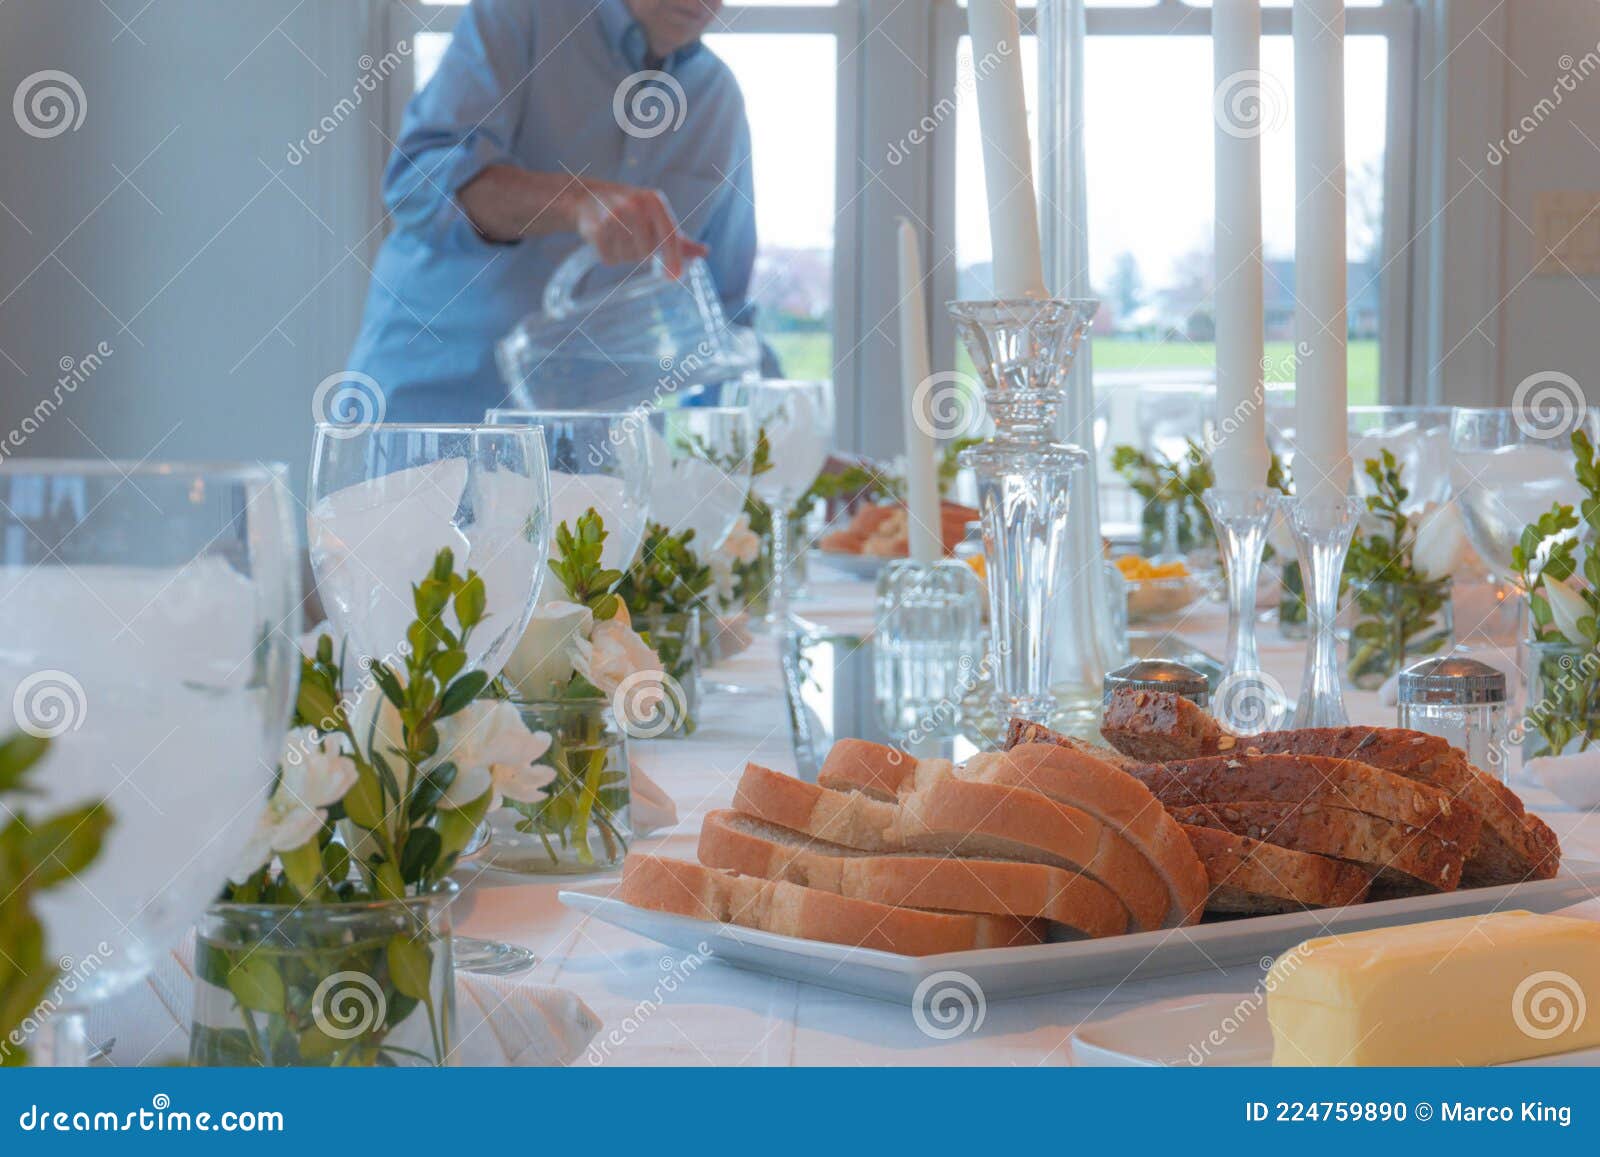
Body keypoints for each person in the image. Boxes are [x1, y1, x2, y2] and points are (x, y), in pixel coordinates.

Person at [347, 0, 756, 422]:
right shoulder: (518, 14)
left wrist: (781, 438)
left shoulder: (718, 99)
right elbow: (416, 183)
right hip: (434, 418)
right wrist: (574, 202)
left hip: (600, 451)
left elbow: (727, 314)